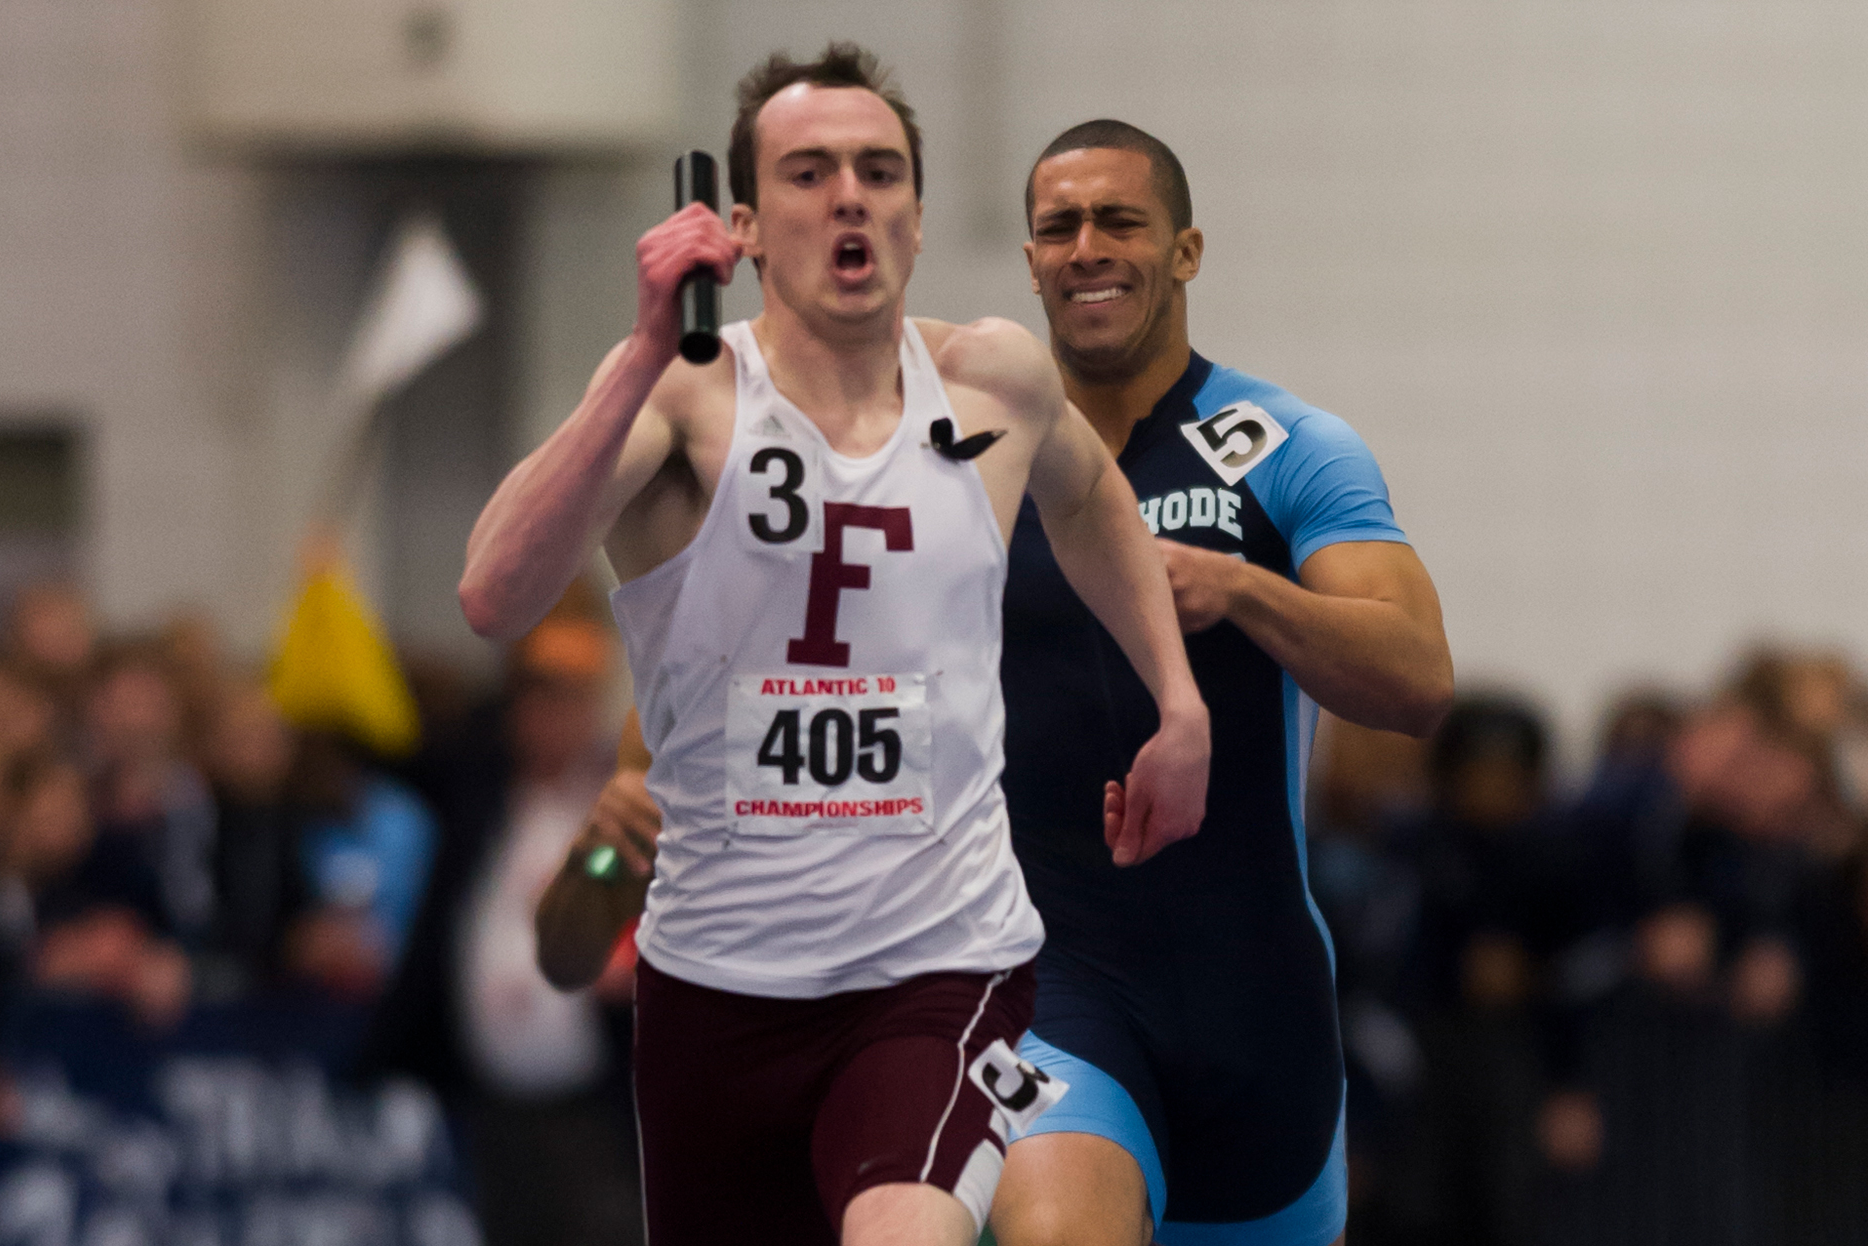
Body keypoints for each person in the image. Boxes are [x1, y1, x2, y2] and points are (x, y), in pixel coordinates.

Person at [460, 44, 1211, 1246]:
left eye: (878, 170)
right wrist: (645, 350)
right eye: (809, 173)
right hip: (714, 987)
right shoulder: (681, 396)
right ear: (744, 225)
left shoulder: (992, 385)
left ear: (915, 215)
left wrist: (1177, 701)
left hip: (938, 970)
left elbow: (1087, 501)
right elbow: (493, 594)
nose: (849, 196)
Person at [988, 121, 1452, 1246]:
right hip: (1049, 982)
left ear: (1185, 251)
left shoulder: (1283, 445)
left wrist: (1244, 592)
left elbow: (1417, 678)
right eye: (1058, 227)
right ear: (1032, 260)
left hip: (1256, 1009)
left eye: (1119, 221)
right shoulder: (973, 459)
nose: (1086, 247)